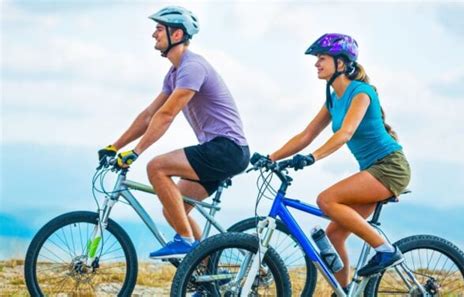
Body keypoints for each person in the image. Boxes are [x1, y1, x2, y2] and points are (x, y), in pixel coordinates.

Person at [98, 6, 249, 259]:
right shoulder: (175, 73)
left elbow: (166, 115)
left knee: (157, 167)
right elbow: (149, 115)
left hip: (227, 149)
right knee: (174, 210)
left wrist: (136, 152)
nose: (153, 35)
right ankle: (205, 269)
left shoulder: (193, 67)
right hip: (220, 150)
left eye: (158, 29)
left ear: (177, 34)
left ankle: (186, 242)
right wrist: (114, 146)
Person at [264, 33, 411, 292]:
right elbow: (307, 135)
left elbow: (345, 133)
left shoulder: (361, 92)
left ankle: (386, 251)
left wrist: (312, 158)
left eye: (322, 58)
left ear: (341, 64)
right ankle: (342, 292)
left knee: (327, 200)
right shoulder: (333, 99)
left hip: (389, 168)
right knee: (333, 236)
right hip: (372, 170)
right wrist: (271, 157)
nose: (316, 64)